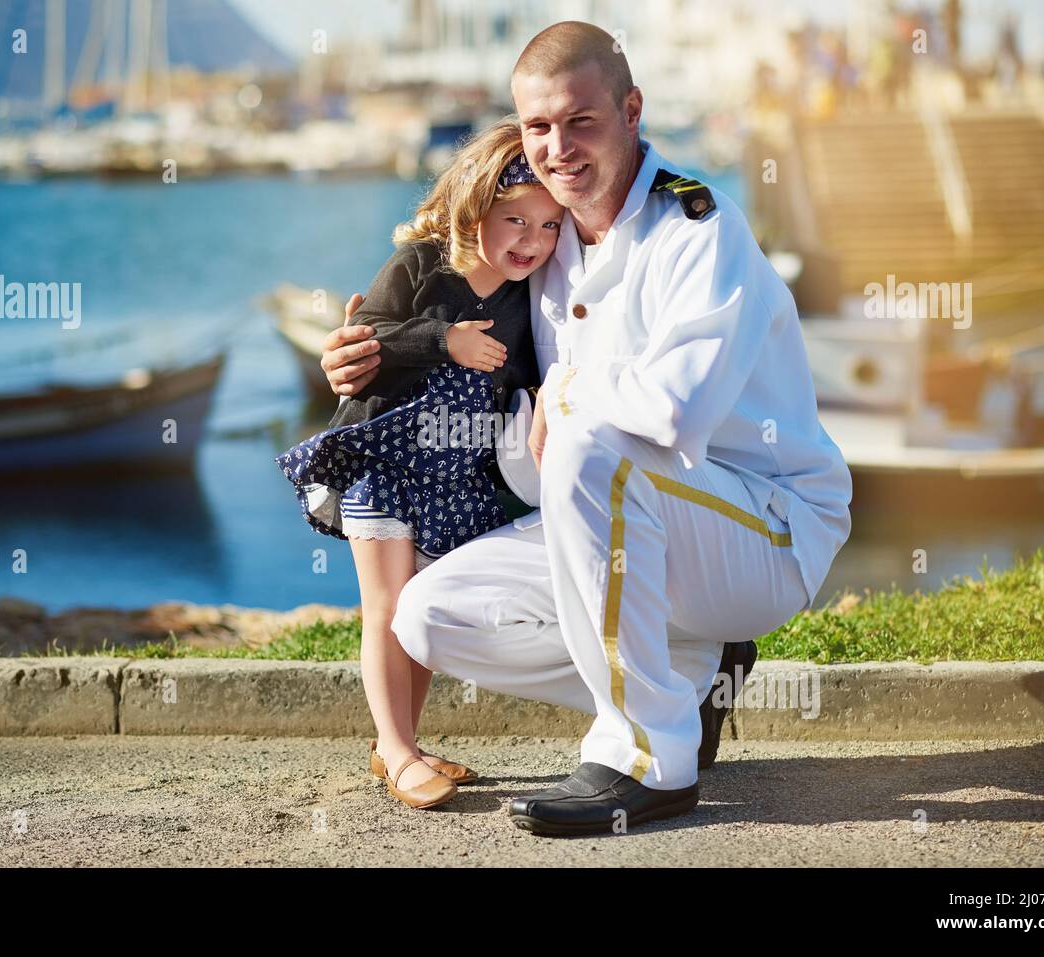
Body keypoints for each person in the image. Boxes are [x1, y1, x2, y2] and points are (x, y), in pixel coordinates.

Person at [321, 21, 852, 836]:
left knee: (587, 435)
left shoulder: (698, 230)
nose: (557, 148)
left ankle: (646, 759)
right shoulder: (547, 239)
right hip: (635, 521)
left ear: (632, 110)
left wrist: (565, 392)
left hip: (763, 526)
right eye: (537, 126)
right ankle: (686, 679)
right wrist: (368, 353)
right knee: (427, 617)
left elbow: (678, 414)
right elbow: (445, 292)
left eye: (581, 121)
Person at [275, 119, 563, 810]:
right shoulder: (421, 266)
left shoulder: (525, 300)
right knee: (385, 606)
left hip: (457, 471)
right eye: (516, 219)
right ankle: (397, 749)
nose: (533, 240)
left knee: (424, 608)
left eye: (551, 226)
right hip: (388, 453)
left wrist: (545, 394)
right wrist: (444, 339)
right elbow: (365, 333)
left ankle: (402, 741)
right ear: (474, 209)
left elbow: (523, 369)